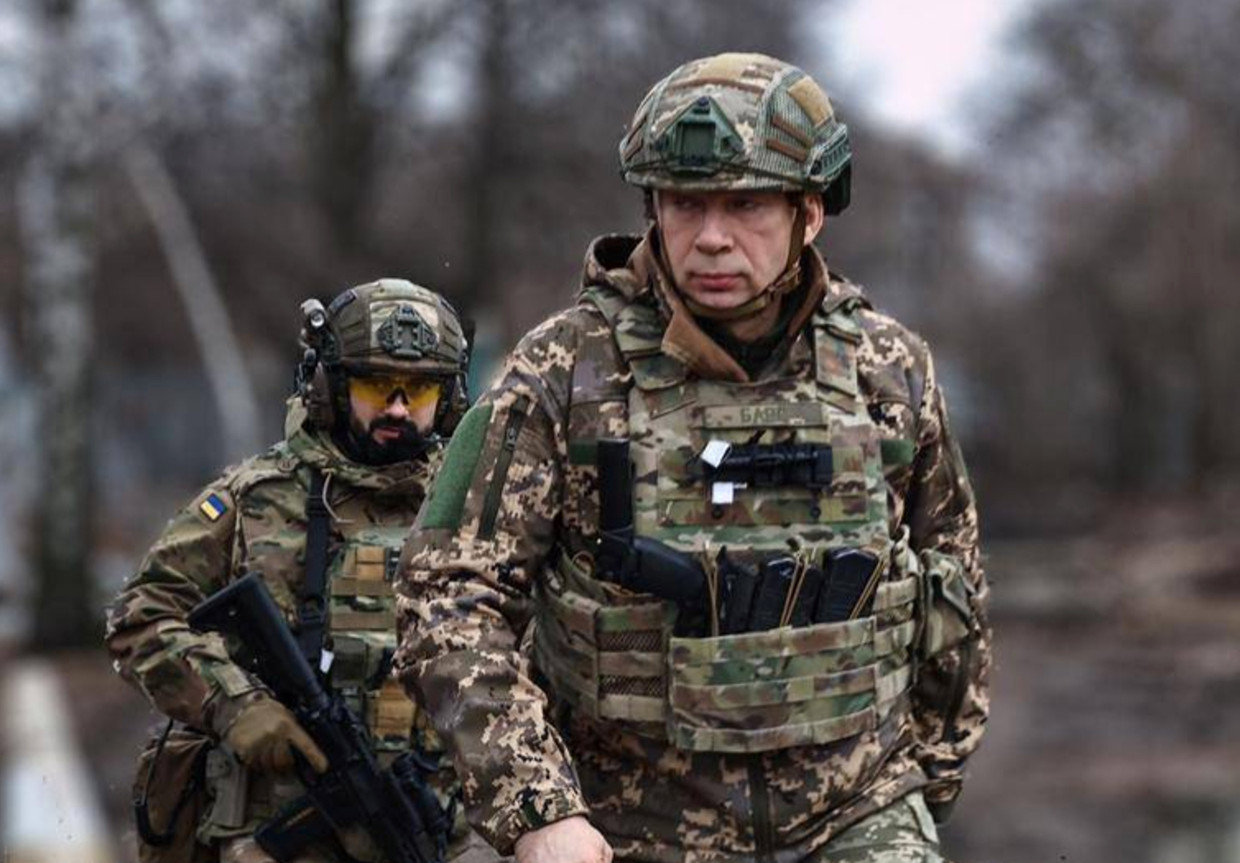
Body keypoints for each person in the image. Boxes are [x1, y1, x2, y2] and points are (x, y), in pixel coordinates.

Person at [394, 52, 991, 863]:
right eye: (685, 204)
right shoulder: (562, 372)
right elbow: (447, 595)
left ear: (810, 213)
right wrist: (537, 805)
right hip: (624, 822)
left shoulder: (887, 370)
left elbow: (953, 580)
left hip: (856, 807)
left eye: (745, 204)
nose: (711, 238)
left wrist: (928, 780)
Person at [106, 279, 495, 863]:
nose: (396, 408)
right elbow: (139, 617)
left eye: (418, 390)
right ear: (330, 388)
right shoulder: (255, 498)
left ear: (450, 398)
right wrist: (234, 704)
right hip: (276, 827)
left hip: (439, 827)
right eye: (375, 386)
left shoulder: (479, 508)